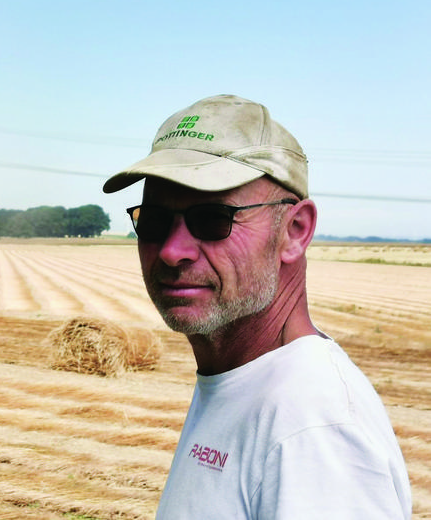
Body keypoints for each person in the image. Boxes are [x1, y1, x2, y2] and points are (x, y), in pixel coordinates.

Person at [103, 94, 411, 519]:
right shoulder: (241, 380)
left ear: (295, 231)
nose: (172, 251)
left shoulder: (315, 429)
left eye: (213, 219)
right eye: (154, 220)